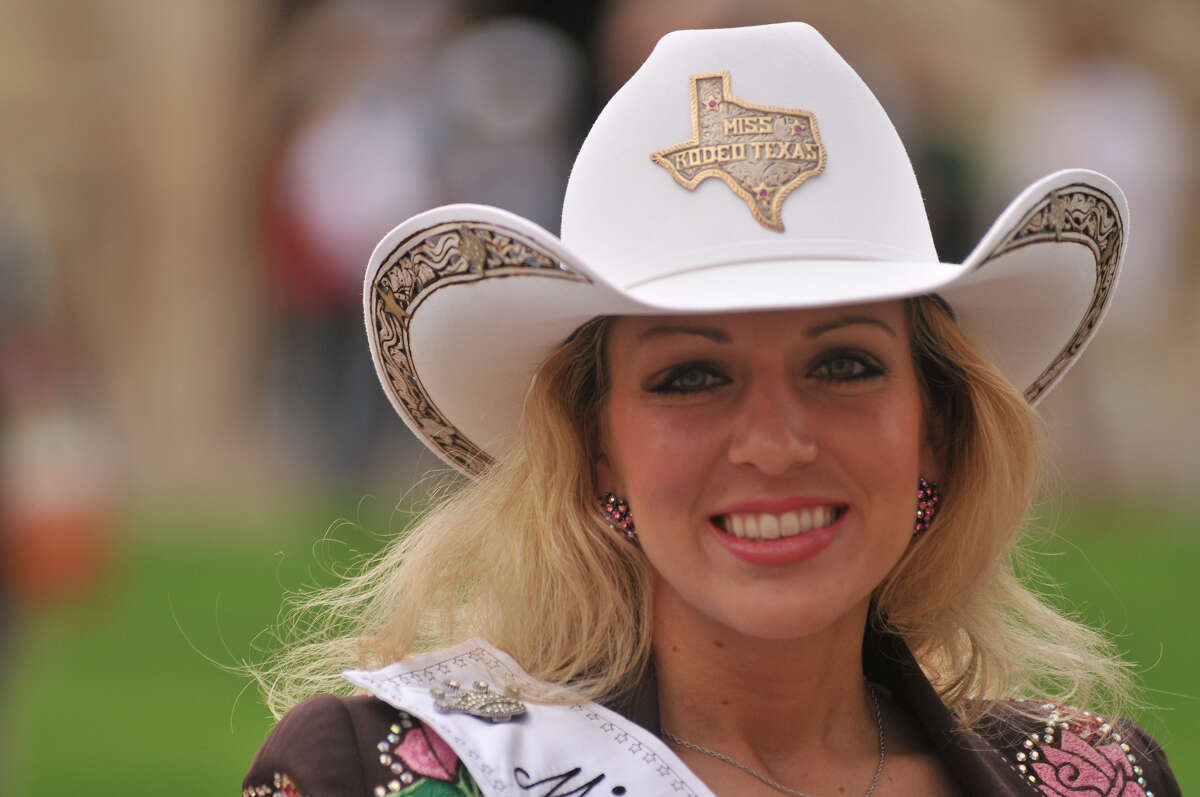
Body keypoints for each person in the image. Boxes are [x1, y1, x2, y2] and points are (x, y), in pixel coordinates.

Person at [243, 23, 1180, 797]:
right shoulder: (378, 776)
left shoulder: (1096, 781)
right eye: (691, 377)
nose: (776, 444)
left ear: (934, 427)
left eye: (844, 364)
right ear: (595, 446)